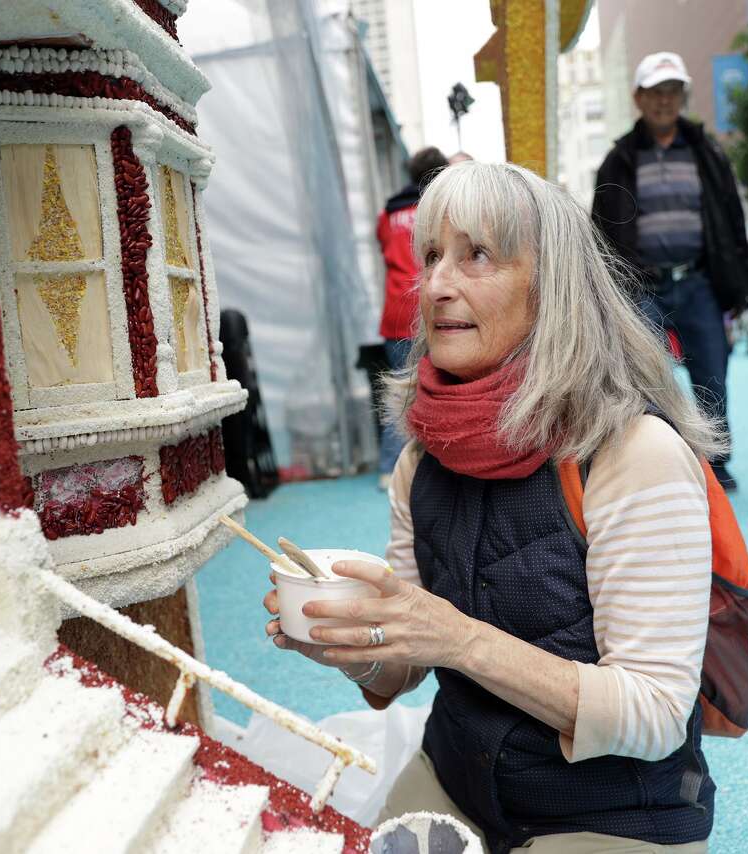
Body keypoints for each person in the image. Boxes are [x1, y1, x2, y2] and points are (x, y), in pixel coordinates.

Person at [266, 162, 721, 852]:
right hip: (457, 774)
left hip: (614, 807)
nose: (436, 285)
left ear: (555, 287)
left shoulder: (635, 453)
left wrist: (458, 639)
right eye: (431, 256)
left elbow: (656, 714)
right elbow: (401, 671)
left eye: (477, 254)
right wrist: (347, 648)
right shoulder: (422, 457)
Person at [592, 52, 748, 492]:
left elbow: (731, 218)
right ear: (638, 98)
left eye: (672, 91)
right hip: (641, 288)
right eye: (655, 92)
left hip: (699, 281)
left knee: (712, 375)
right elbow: (600, 230)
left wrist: (740, 280)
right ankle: (653, 463)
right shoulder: (618, 159)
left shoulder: (707, 152)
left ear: (683, 96)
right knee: (639, 380)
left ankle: (717, 463)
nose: (664, 100)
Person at [376, 146, 449, 489]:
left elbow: (385, 251)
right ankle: (435, 465)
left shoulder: (387, 214)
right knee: (439, 388)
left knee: (399, 389)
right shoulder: (439, 211)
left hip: (394, 312)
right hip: (431, 309)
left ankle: (389, 468)